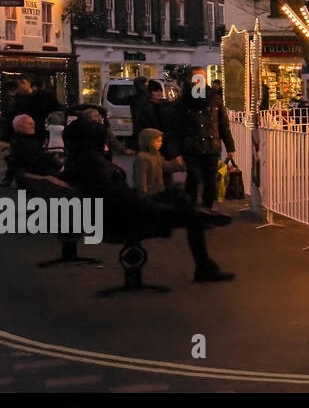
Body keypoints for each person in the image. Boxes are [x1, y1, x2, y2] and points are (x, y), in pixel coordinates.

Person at [61, 107, 234, 282]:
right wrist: (163, 208)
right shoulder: (95, 167)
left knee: (177, 196)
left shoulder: (79, 163)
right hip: (122, 221)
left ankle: (199, 215)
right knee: (187, 211)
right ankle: (201, 239)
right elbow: (125, 200)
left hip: (116, 216)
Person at [165, 66, 236, 209]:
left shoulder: (214, 98)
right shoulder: (182, 103)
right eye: (197, 78)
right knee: (194, 179)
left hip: (211, 146)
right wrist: (176, 152)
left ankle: (207, 208)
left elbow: (223, 124)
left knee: (210, 180)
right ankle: (191, 208)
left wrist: (230, 147)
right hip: (192, 147)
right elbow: (174, 129)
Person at [3, 114, 62, 184]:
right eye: (30, 124)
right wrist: (53, 161)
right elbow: (34, 161)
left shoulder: (21, 140)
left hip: (35, 170)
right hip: (37, 172)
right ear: (21, 126)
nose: (33, 125)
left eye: (33, 123)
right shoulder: (25, 143)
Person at [133, 127, 185, 196]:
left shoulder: (156, 155)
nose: (160, 143)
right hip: (149, 193)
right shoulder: (142, 158)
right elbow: (141, 179)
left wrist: (176, 162)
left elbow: (166, 166)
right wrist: (143, 194)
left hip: (158, 191)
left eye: (161, 141)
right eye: (157, 141)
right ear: (149, 142)